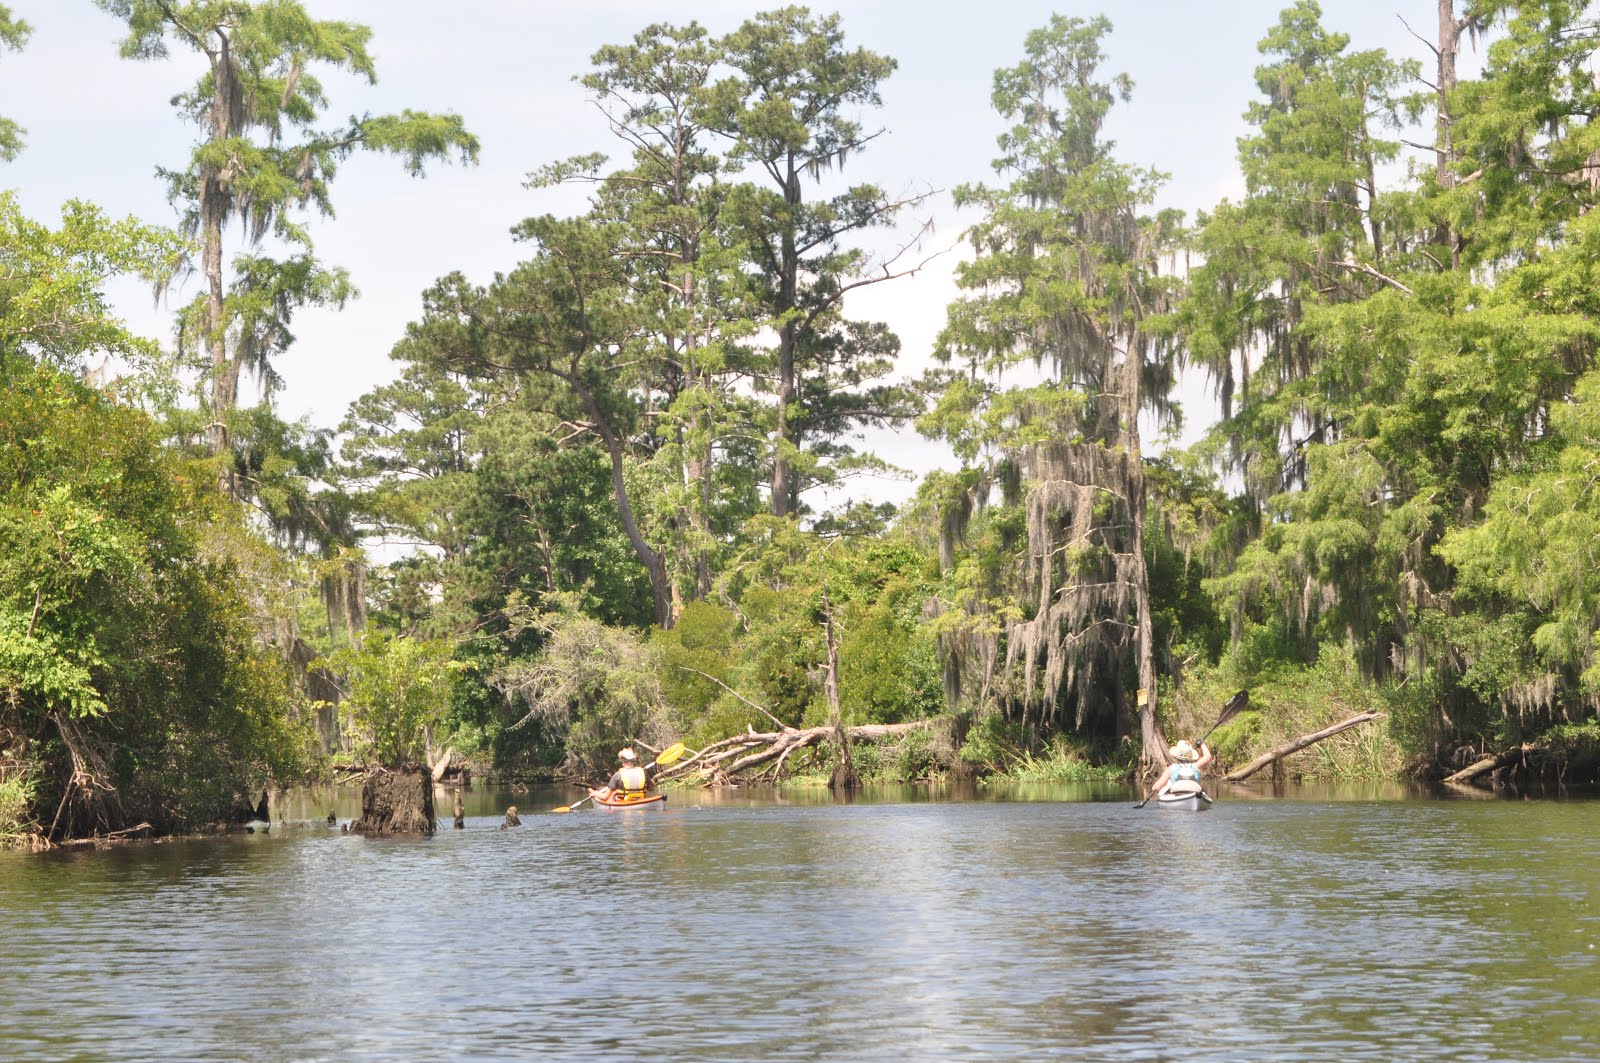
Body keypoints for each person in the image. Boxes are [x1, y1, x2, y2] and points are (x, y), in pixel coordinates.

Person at [1146, 739, 1214, 802]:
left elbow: (1158, 787)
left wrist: (1154, 788)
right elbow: (1208, 757)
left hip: (1176, 797)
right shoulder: (1196, 766)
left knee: (1167, 786)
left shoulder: (1171, 768)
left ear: (1177, 756)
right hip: (1195, 794)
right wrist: (1201, 744)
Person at [589, 748, 657, 803]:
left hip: (624, 807)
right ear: (633, 760)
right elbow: (652, 786)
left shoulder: (618, 775)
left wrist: (594, 793)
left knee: (613, 794)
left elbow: (605, 797)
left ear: (622, 761)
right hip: (641, 802)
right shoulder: (643, 772)